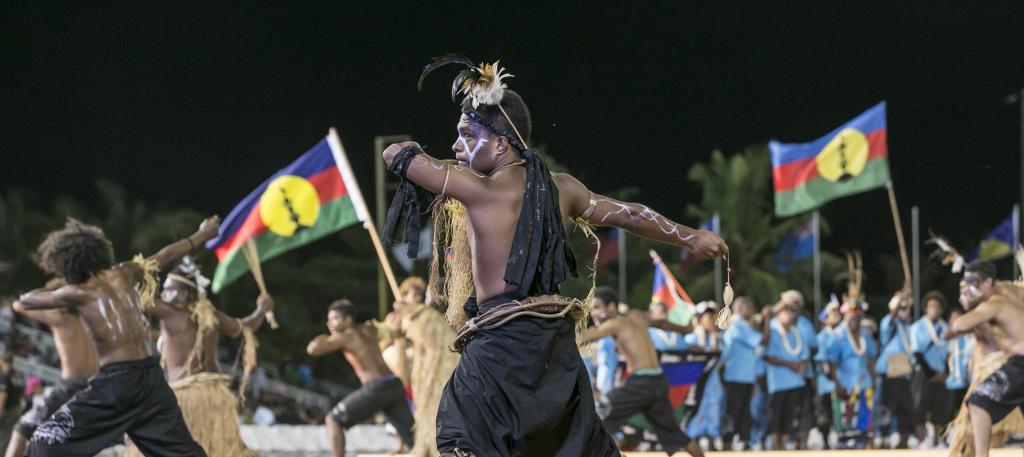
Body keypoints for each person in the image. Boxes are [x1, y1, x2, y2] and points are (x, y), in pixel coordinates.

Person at [383, 56, 726, 457]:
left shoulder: (476, 188)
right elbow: (632, 214)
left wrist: (426, 153)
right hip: (553, 351)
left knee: (462, 434)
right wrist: (691, 238)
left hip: (498, 349)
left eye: (466, 135)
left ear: (499, 143)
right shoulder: (563, 189)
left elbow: (396, 155)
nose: (456, 146)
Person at [16, 217, 217, 456]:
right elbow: (165, 256)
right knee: (181, 452)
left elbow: (27, 300)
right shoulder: (126, 272)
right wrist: (202, 235)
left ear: (68, 265)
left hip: (116, 384)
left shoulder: (77, 292)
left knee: (44, 440)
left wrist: (58, 285)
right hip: (151, 379)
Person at [122, 257, 273, 457]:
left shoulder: (170, 312)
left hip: (184, 396)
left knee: (139, 439)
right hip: (216, 396)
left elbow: (129, 298)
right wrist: (261, 310)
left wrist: (129, 273)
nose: (164, 293)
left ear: (184, 294)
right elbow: (245, 326)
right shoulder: (213, 316)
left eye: (168, 288)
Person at [586, 287, 702, 456]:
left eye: (596, 307)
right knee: (676, 434)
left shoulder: (614, 323)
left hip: (642, 383)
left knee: (601, 415)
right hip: (658, 381)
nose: (592, 313)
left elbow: (585, 337)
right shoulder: (636, 315)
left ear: (611, 307)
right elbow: (661, 322)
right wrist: (686, 329)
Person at [306, 300, 414, 457]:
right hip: (394, 385)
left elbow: (313, 349)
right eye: (329, 319)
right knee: (414, 440)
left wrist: (327, 336)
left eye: (334, 318)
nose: (330, 323)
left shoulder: (346, 335)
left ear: (348, 320)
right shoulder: (368, 329)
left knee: (333, 420)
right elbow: (394, 332)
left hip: (377, 387)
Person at [6, 279, 99, 457]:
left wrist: (50, 291)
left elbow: (20, 304)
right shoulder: (90, 321)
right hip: (94, 388)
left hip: (71, 388)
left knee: (22, 428)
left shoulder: (61, 318)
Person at [944, 260, 1024, 457]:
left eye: (974, 282)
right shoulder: (1012, 291)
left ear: (988, 282)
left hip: (1021, 363)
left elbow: (960, 326)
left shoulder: (994, 303)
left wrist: (968, 307)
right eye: (966, 283)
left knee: (978, 402)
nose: (970, 288)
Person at [824, 299, 878, 449]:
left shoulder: (865, 335)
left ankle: (861, 445)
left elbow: (871, 359)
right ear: (845, 316)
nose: (855, 319)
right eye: (851, 316)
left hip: (864, 383)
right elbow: (831, 364)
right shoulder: (837, 335)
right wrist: (837, 385)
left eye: (858, 316)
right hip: (844, 385)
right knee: (845, 422)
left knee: (863, 423)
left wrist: (873, 380)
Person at [762, 300, 810, 450]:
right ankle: (774, 443)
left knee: (790, 413)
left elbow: (805, 354)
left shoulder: (798, 332)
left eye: (791, 312)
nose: (789, 315)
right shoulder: (773, 330)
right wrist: (790, 364)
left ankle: (784, 443)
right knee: (775, 414)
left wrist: (801, 365)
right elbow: (768, 355)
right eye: (786, 312)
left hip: (795, 380)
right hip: (777, 382)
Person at [776, 290, 818, 448]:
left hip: (804, 374)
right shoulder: (776, 322)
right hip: (783, 377)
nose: (793, 306)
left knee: (806, 409)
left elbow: (814, 347)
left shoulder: (806, 324)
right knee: (785, 410)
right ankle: (783, 443)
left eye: (796, 303)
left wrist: (803, 359)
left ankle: (803, 442)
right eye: (789, 303)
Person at [910, 291, 951, 447]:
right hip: (924, 372)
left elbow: (948, 352)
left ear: (941, 310)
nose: (934, 309)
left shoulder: (945, 327)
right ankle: (921, 441)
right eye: (931, 306)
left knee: (940, 408)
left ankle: (938, 440)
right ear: (926, 308)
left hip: (941, 373)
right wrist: (931, 373)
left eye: (937, 307)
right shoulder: (917, 326)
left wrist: (946, 372)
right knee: (920, 406)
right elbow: (916, 351)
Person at [876, 290, 915, 448]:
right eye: (901, 308)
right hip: (890, 365)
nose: (905, 311)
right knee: (887, 403)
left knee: (905, 403)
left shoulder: (908, 326)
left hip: (904, 367)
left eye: (907, 308)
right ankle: (884, 437)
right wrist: (900, 298)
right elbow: (891, 316)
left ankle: (904, 437)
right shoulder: (889, 322)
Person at [720, 297, 760, 450]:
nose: (750, 310)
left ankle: (744, 440)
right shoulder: (736, 324)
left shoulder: (743, 325)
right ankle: (727, 440)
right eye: (747, 307)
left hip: (745, 377)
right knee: (733, 410)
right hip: (735, 376)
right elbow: (758, 340)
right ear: (740, 309)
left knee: (744, 411)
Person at [683, 304, 724, 451]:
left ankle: (712, 437)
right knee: (697, 408)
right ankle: (693, 440)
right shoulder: (691, 338)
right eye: (707, 316)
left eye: (712, 316)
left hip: (713, 381)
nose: (711, 319)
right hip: (697, 381)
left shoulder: (717, 337)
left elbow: (722, 357)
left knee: (713, 407)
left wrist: (714, 338)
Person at [813, 300, 843, 448]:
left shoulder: (843, 333)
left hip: (843, 379)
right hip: (827, 381)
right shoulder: (822, 336)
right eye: (833, 313)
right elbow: (823, 359)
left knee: (841, 412)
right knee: (825, 412)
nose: (837, 316)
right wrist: (831, 375)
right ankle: (825, 441)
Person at [944, 309, 972, 428]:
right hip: (952, 381)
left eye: (959, 317)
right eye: (953, 318)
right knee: (951, 409)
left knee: (968, 409)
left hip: (968, 379)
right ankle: (947, 434)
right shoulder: (946, 336)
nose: (956, 320)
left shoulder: (969, 336)